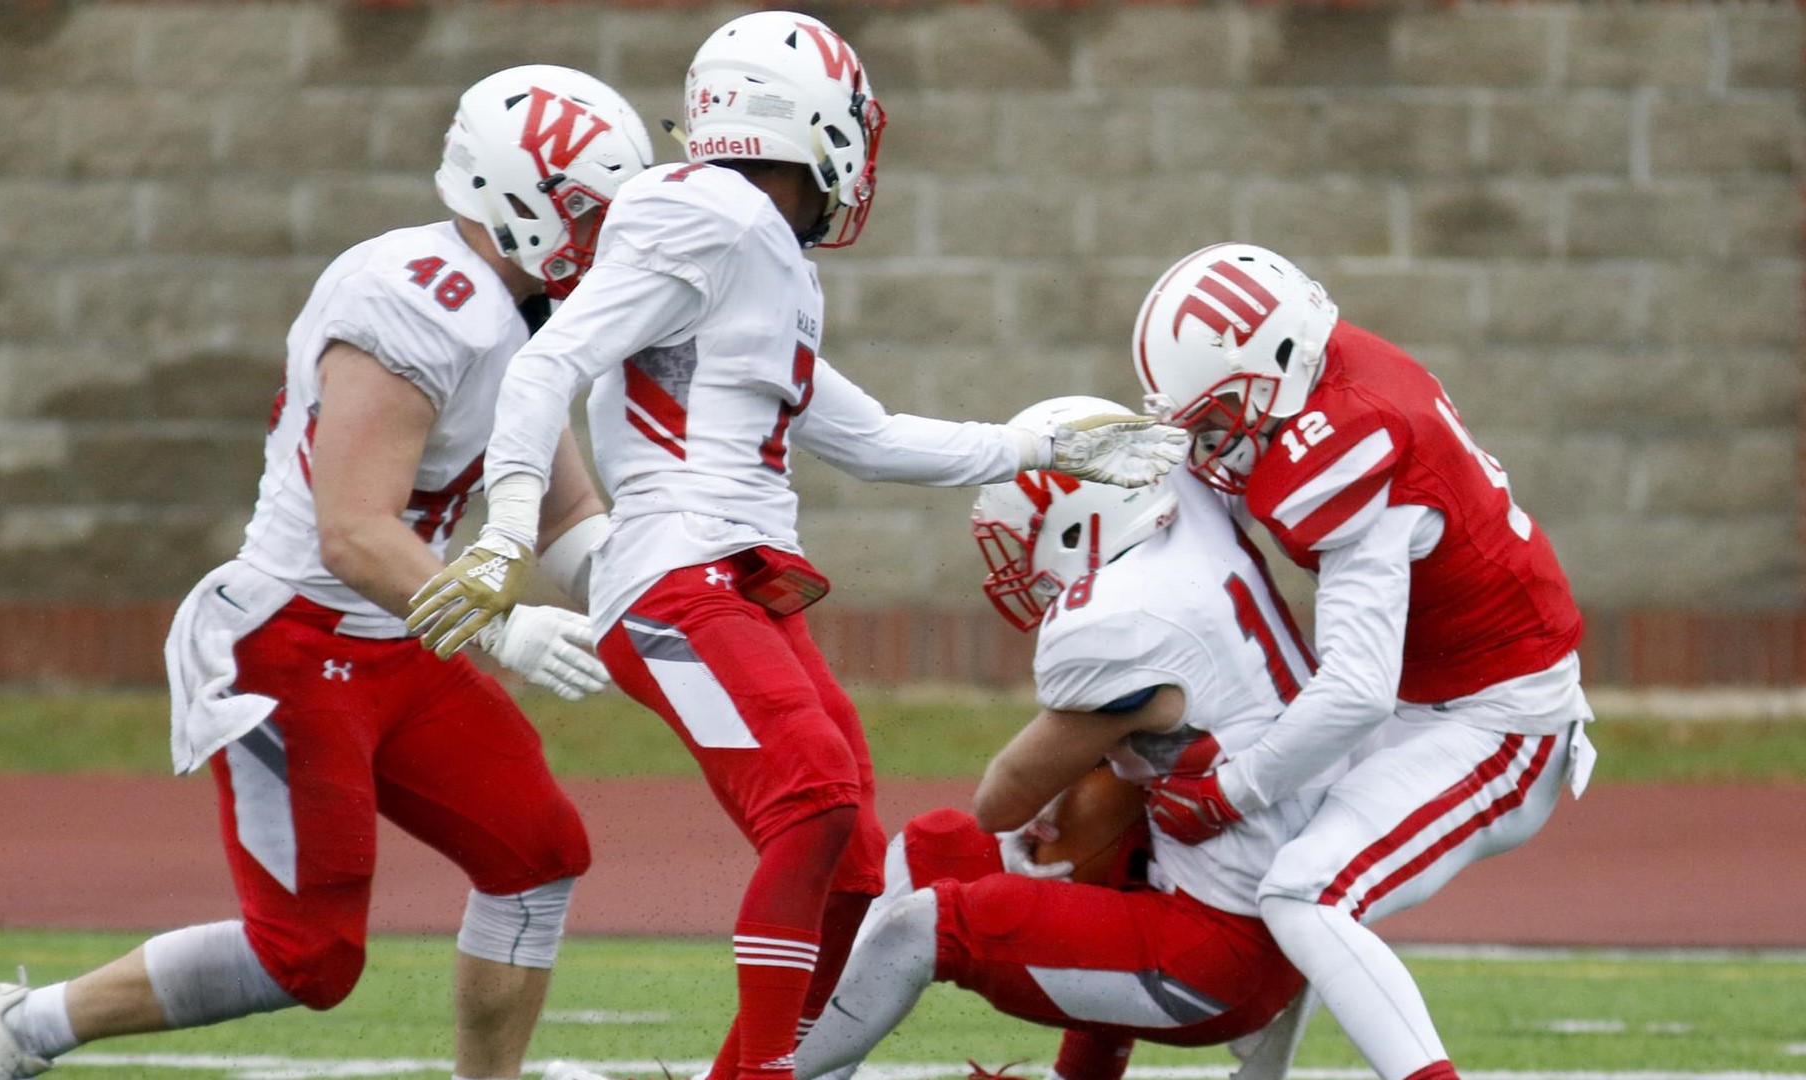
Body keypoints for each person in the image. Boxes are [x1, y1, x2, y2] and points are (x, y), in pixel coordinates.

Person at [405, 15, 1186, 1080]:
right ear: (810, 124)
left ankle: (752, 1070)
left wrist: (1036, 443)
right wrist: (504, 535)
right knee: (814, 802)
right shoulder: (712, 217)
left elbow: (867, 438)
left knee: (858, 860)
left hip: (740, 585)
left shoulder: (755, 257)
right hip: (678, 584)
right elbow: (548, 367)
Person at [0, 66, 653, 1080]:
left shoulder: (525, 312)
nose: (606, 235)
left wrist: (660, 604)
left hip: (398, 640)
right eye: (588, 209)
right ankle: (23, 1025)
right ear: (515, 196)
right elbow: (354, 533)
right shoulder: (424, 299)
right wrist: (505, 630)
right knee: (310, 957)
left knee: (536, 856)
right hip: (292, 642)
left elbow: (566, 509)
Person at [1132, 243, 1598, 1080]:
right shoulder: (1325, 366)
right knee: (1275, 862)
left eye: (1213, 418)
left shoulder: (1351, 446)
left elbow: (1353, 691)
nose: (1210, 444)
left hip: (1499, 722)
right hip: (1429, 699)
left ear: (1276, 365)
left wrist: (1231, 792)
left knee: (1304, 888)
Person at [794, 397, 1332, 1080]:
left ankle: (763, 1074)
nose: (1019, 565)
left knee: (924, 926)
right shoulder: (1190, 525)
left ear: (1082, 525)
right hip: (1265, 901)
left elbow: (1002, 801)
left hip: (1219, 954)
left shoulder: (1126, 619)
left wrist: (1068, 788)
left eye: (1026, 541)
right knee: (938, 844)